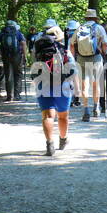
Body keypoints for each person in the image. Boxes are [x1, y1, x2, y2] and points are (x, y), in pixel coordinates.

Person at [30, 20, 73, 156]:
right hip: (63, 83)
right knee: (63, 115)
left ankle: (50, 145)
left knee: (48, 116)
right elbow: (72, 68)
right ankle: (63, 139)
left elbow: (33, 65)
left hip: (44, 82)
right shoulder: (64, 48)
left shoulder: (38, 48)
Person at [72, 8, 107, 121]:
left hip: (81, 59)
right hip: (96, 58)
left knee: (84, 86)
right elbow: (105, 43)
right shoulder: (99, 28)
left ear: (86, 17)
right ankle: (96, 107)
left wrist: (73, 57)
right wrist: (104, 53)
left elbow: (71, 44)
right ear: (95, 18)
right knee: (96, 84)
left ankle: (86, 110)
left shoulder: (79, 28)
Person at [0, 20, 27, 100]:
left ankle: (9, 96)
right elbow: (23, 43)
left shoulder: (1, 33)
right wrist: (24, 55)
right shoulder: (18, 33)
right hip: (17, 56)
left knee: (8, 75)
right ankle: (17, 95)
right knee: (18, 74)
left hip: (5, 56)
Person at [64, 20, 82, 106]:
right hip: (76, 58)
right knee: (76, 78)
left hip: (66, 58)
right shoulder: (78, 35)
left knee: (69, 78)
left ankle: (70, 98)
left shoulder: (65, 35)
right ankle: (76, 97)